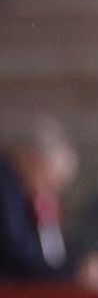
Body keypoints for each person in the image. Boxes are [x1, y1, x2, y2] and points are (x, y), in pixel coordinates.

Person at [0, 116, 77, 280]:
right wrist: (74, 274)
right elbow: (19, 261)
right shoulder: (6, 188)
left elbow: (51, 257)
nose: (52, 194)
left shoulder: (24, 193)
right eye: (50, 183)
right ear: (33, 160)